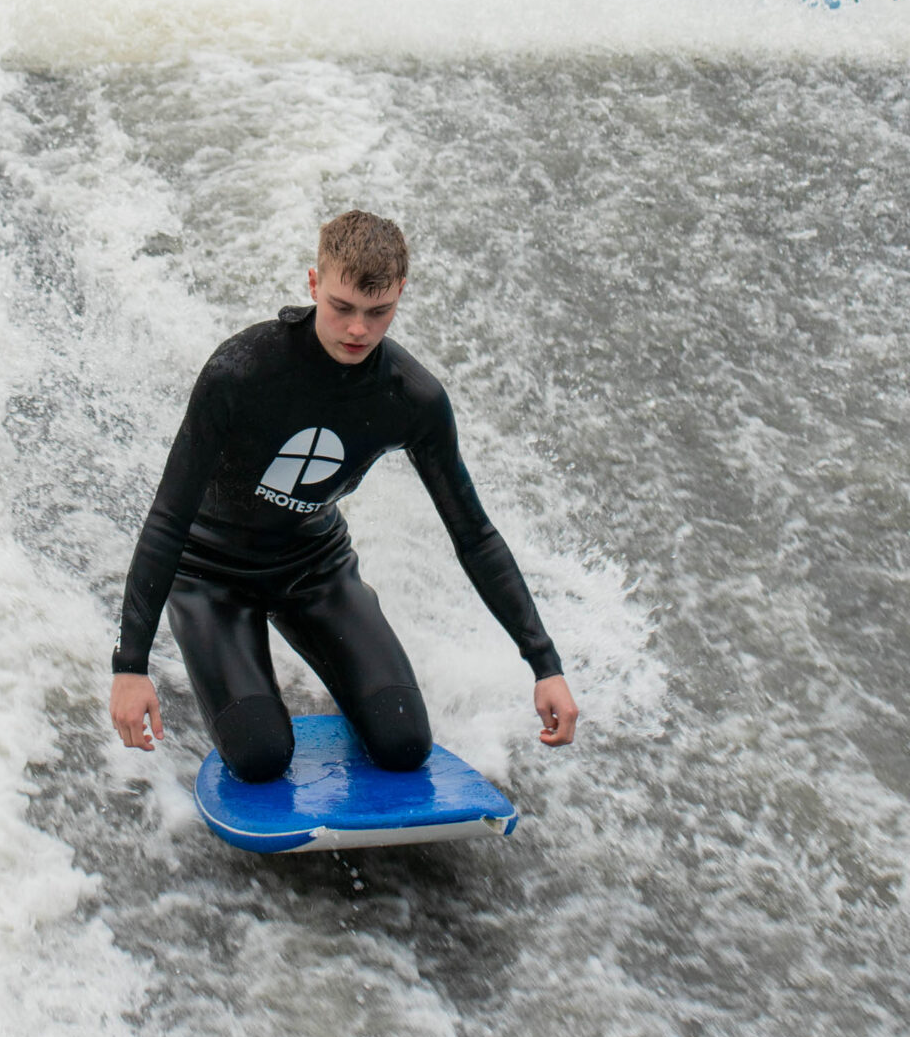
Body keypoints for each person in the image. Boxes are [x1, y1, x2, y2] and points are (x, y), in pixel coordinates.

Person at [110, 210, 578, 782]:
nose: (358, 329)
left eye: (379, 312)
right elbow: (167, 518)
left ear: (401, 294)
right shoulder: (241, 372)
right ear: (314, 284)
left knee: (404, 744)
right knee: (261, 758)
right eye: (342, 307)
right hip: (209, 575)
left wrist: (544, 665)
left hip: (315, 568)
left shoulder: (411, 397)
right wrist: (130, 668)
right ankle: (239, 683)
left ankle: (346, 677)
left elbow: (475, 535)